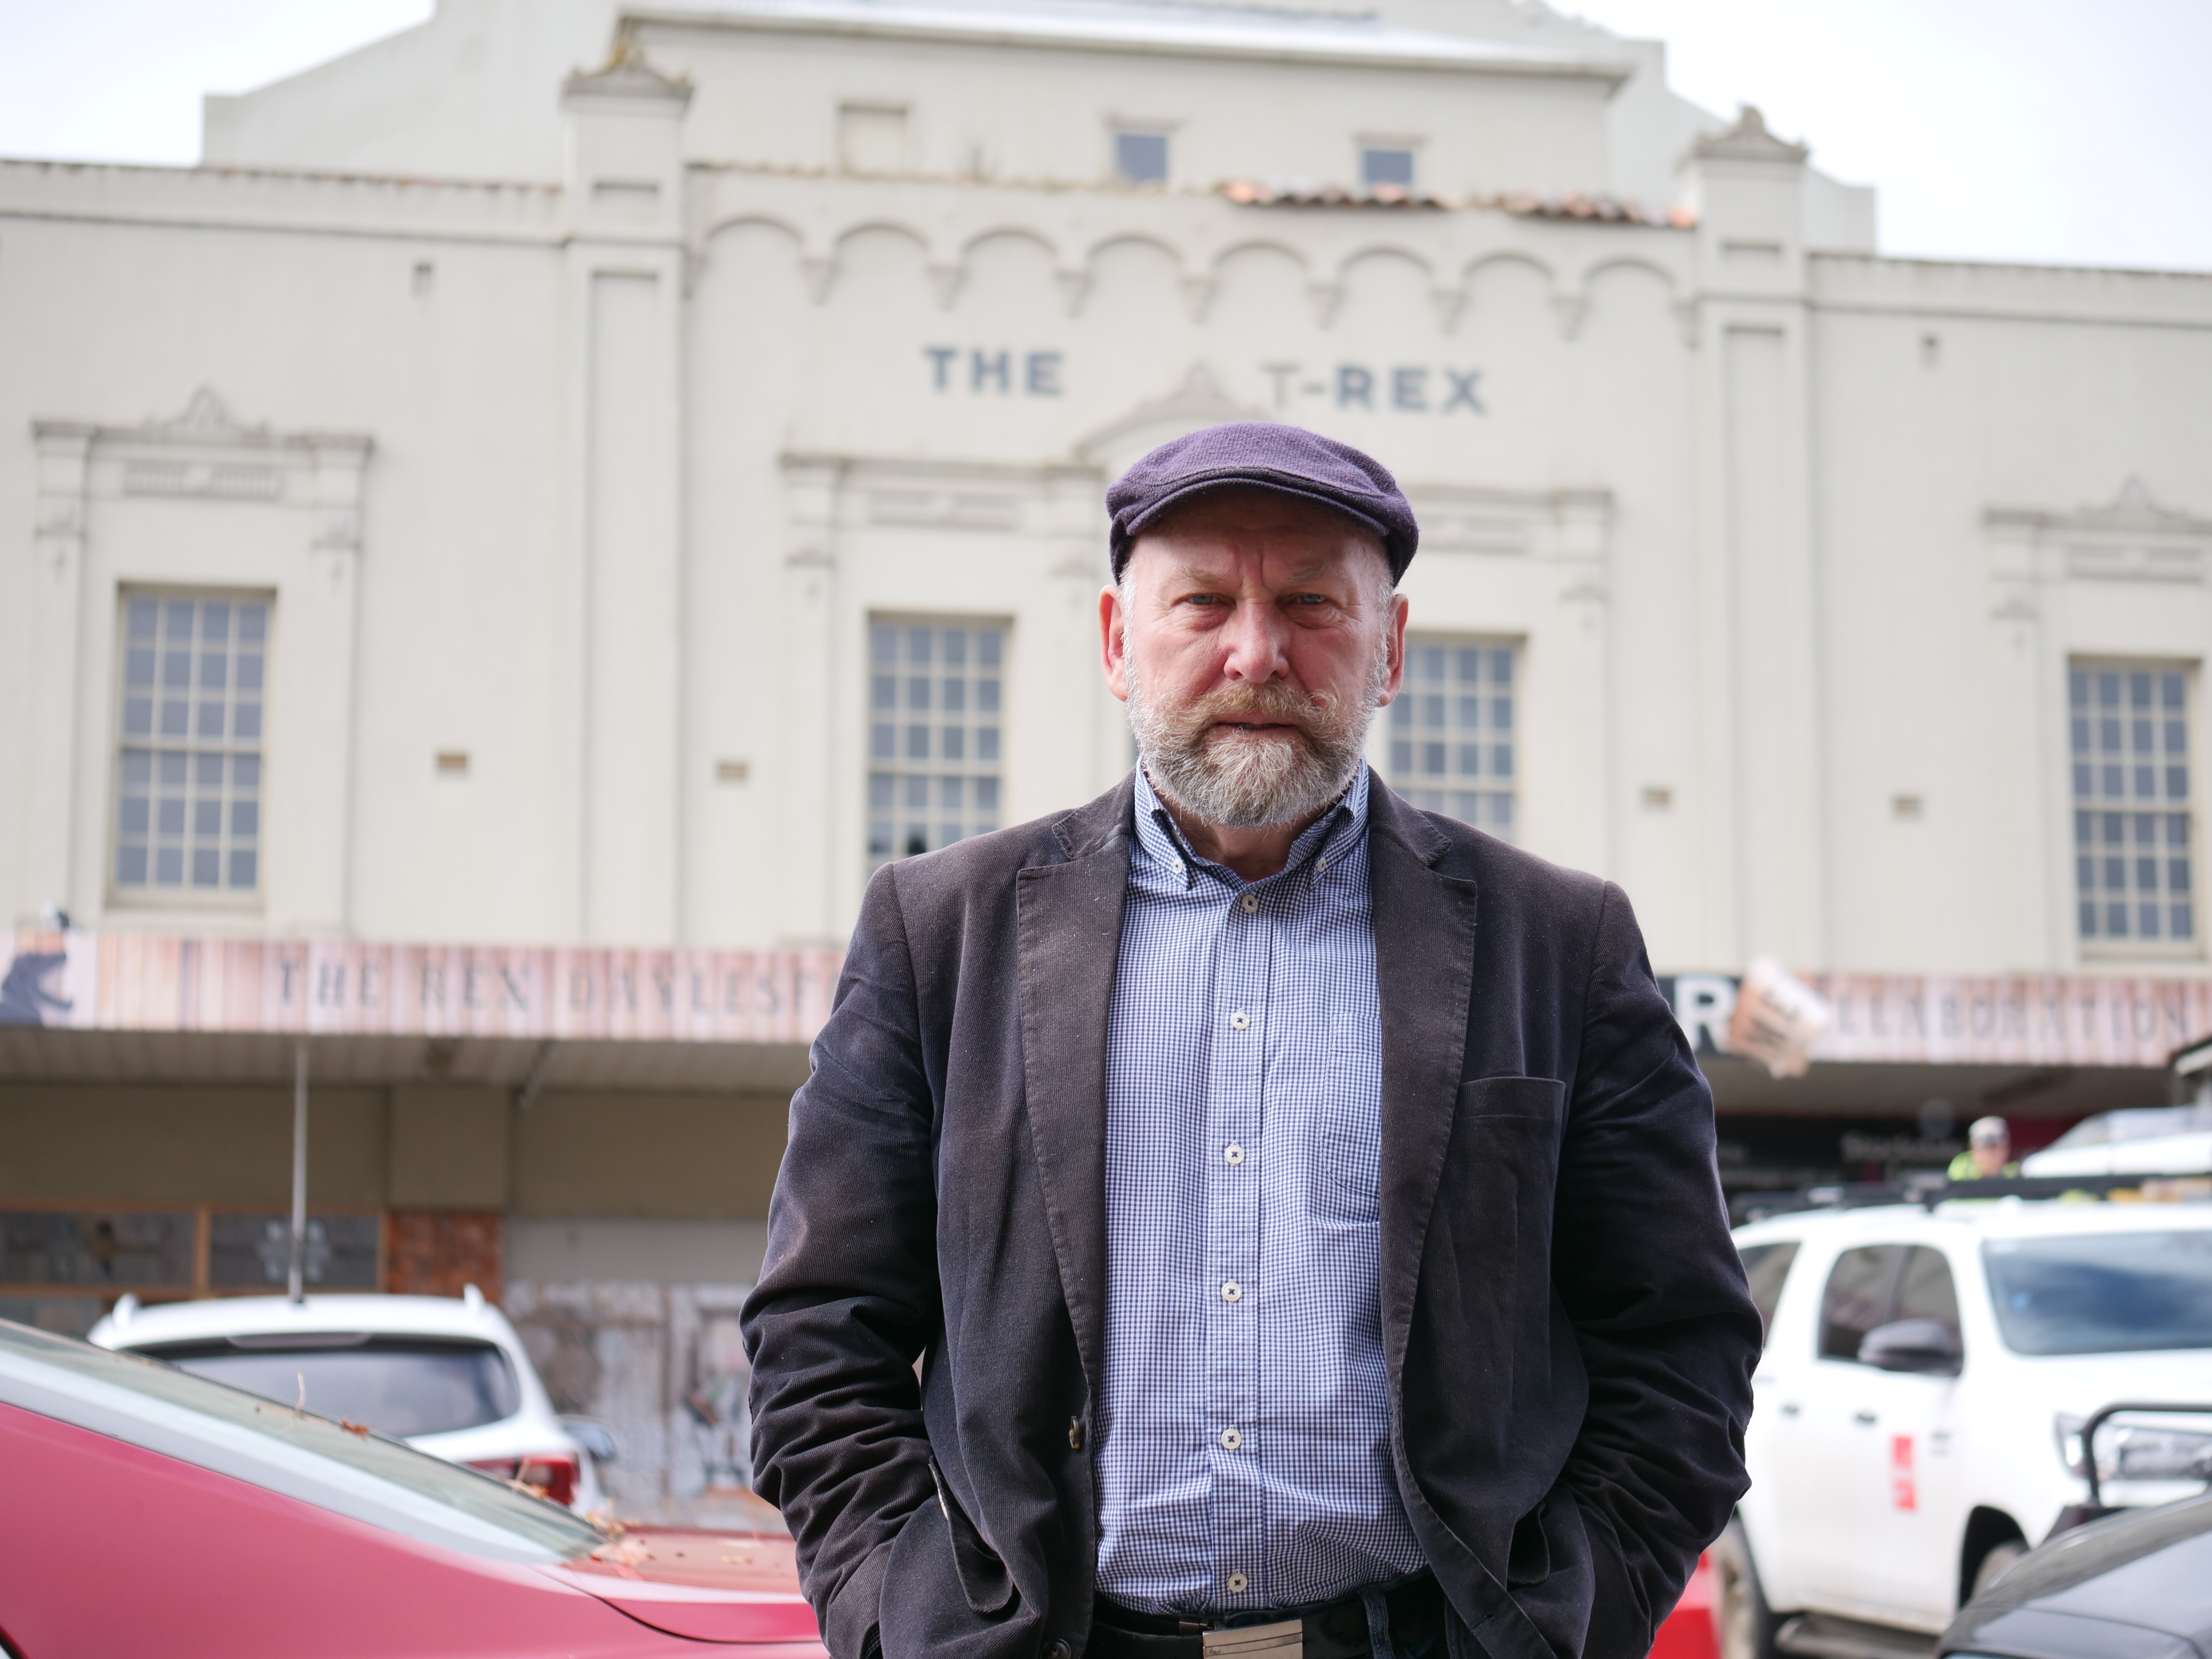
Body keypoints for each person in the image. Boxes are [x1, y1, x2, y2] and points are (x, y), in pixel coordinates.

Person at [743, 424, 1761, 1659]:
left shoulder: (1560, 943)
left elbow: (1682, 1343)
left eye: (1311, 603)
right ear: (1120, 643)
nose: (1256, 651)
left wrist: (1566, 1620)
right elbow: (816, 1331)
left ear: (1389, 648)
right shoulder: (939, 934)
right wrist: (902, 1608)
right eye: (1205, 601)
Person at [1948, 1115, 2017, 1179]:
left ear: (2007, 1149)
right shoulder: (1962, 1169)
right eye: (1985, 1148)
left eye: (1995, 1147)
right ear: (1972, 1150)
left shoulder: (2016, 1173)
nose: (1991, 1154)